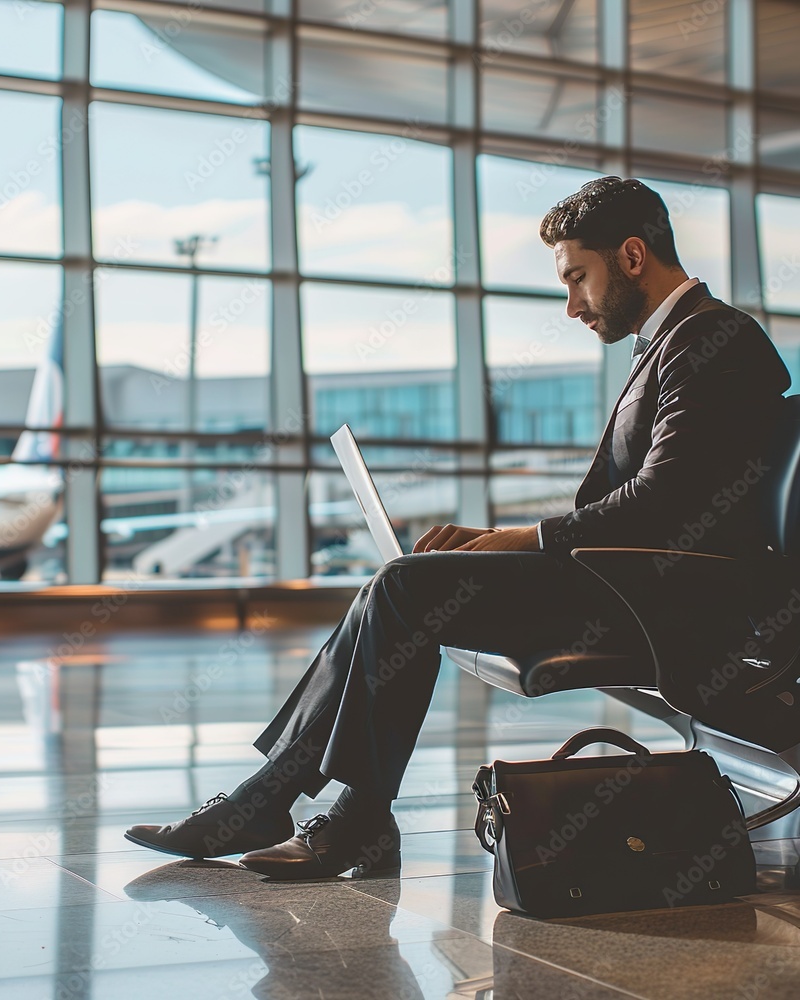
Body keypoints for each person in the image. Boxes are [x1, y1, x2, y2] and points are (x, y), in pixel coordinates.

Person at [125, 176, 791, 881]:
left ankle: (312, 812)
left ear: (632, 256)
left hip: (673, 598)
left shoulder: (714, 337)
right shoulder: (678, 341)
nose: (571, 306)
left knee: (405, 589)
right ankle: (318, 810)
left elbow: (666, 501)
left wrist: (517, 541)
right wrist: (503, 540)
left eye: (577, 278)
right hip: (636, 582)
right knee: (399, 584)